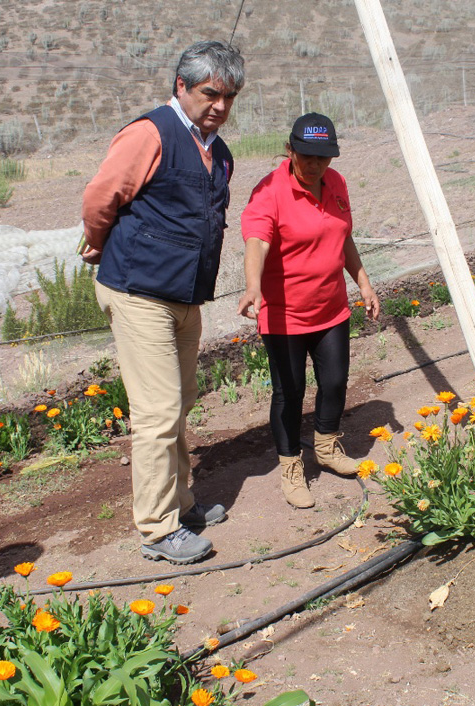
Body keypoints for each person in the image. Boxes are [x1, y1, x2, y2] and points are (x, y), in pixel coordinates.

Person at [80, 40, 244, 564]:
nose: (219, 105)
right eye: (210, 93)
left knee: (181, 400)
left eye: (229, 97)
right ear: (181, 86)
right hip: (139, 291)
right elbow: (100, 198)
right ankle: (157, 529)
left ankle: (180, 504)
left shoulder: (219, 152)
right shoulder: (149, 133)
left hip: (184, 295)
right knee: (156, 412)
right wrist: (99, 243)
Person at [237, 113, 380, 509]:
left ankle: (327, 447)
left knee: (334, 382)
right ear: (290, 150)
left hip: (330, 308)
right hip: (285, 316)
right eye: (306, 156)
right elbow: (257, 241)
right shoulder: (269, 191)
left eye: (323, 157)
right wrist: (253, 286)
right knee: (290, 391)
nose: (315, 165)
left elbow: (343, 237)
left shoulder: (336, 183)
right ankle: (290, 466)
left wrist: (363, 283)